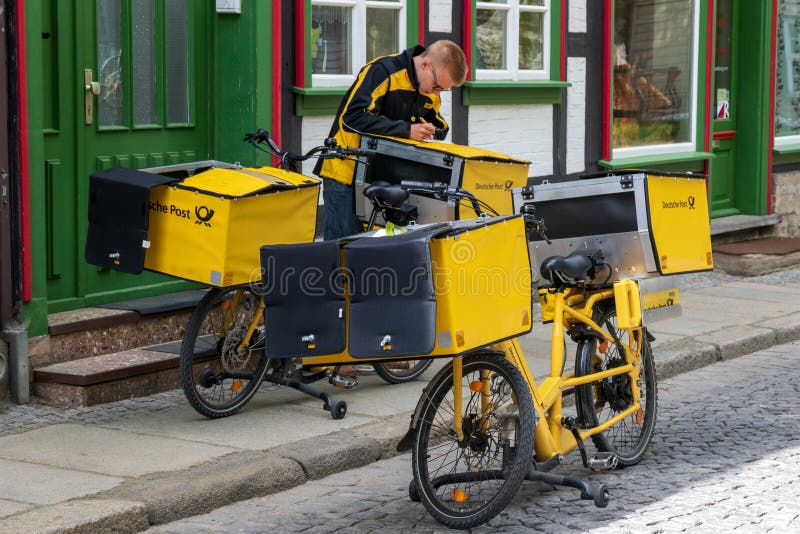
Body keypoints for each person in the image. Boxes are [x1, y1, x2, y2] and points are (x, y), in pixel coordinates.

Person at [314, 40, 468, 241]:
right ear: (425, 64)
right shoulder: (382, 71)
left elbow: (437, 123)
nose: (436, 93)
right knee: (341, 253)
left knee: (376, 253)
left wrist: (432, 132)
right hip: (345, 174)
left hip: (382, 179)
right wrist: (406, 130)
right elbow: (352, 118)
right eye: (437, 86)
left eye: (443, 90)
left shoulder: (429, 89)